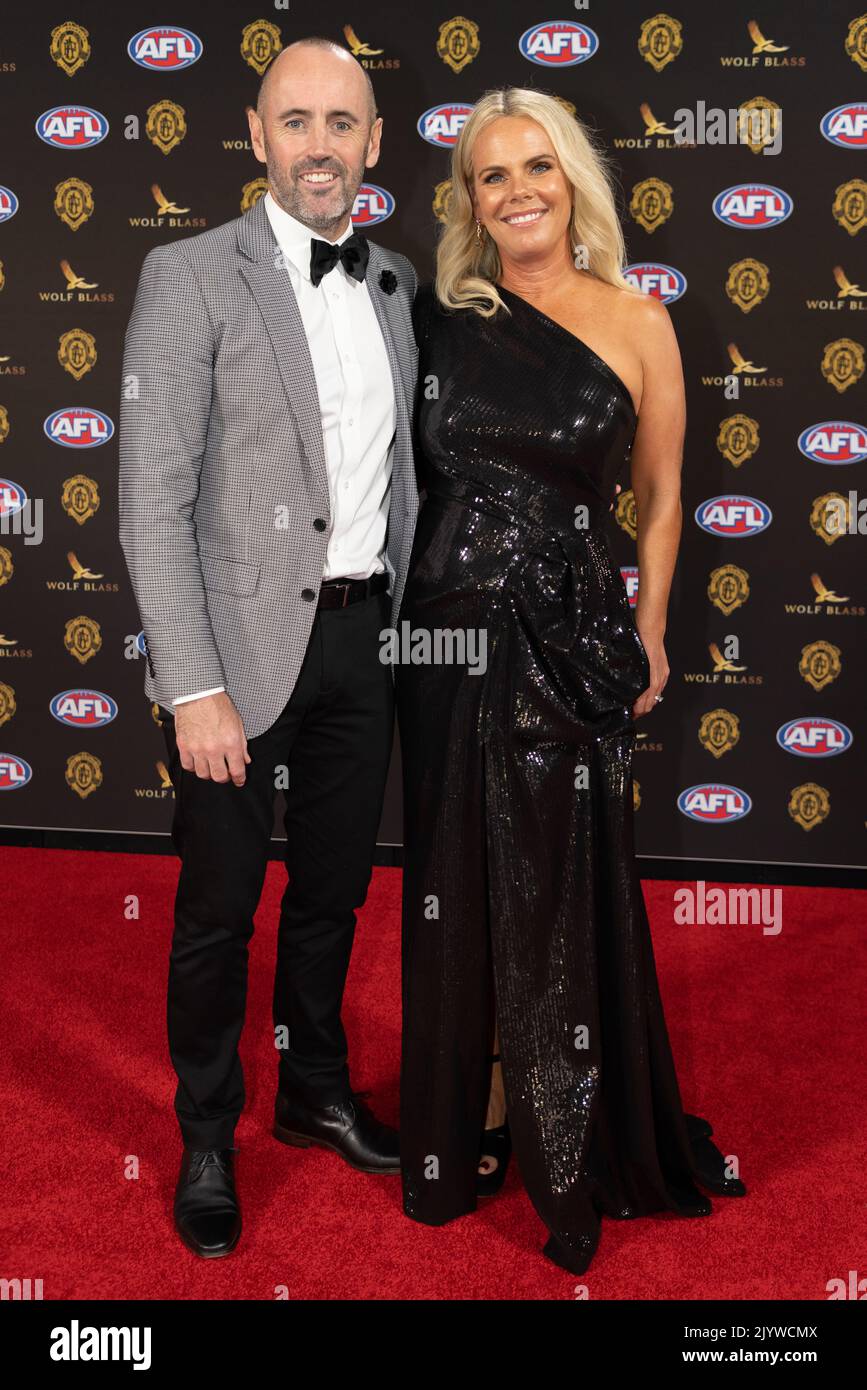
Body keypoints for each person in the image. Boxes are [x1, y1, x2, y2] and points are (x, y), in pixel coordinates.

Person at [396, 87, 747, 1275]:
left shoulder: (637, 319)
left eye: (536, 166)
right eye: (492, 177)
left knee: (559, 876)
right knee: (454, 872)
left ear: (572, 179)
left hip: (572, 639)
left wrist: (649, 629)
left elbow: (660, 497)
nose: (519, 191)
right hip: (444, 638)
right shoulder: (440, 321)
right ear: (469, 202)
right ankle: (472, 1117)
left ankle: (576, 1120)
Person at [118, 37, 418, 1258]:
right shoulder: (191, 274)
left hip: (364, 648)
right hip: (233, 664)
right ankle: (205, 1133)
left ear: (374, 142)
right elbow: (150, 497)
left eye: (341, 123)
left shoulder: (395, 280)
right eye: (296, 122)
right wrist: (193, 686)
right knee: (217, 909)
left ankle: (314, 1088)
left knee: (335, 894)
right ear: (255, 135)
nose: (320, 146)